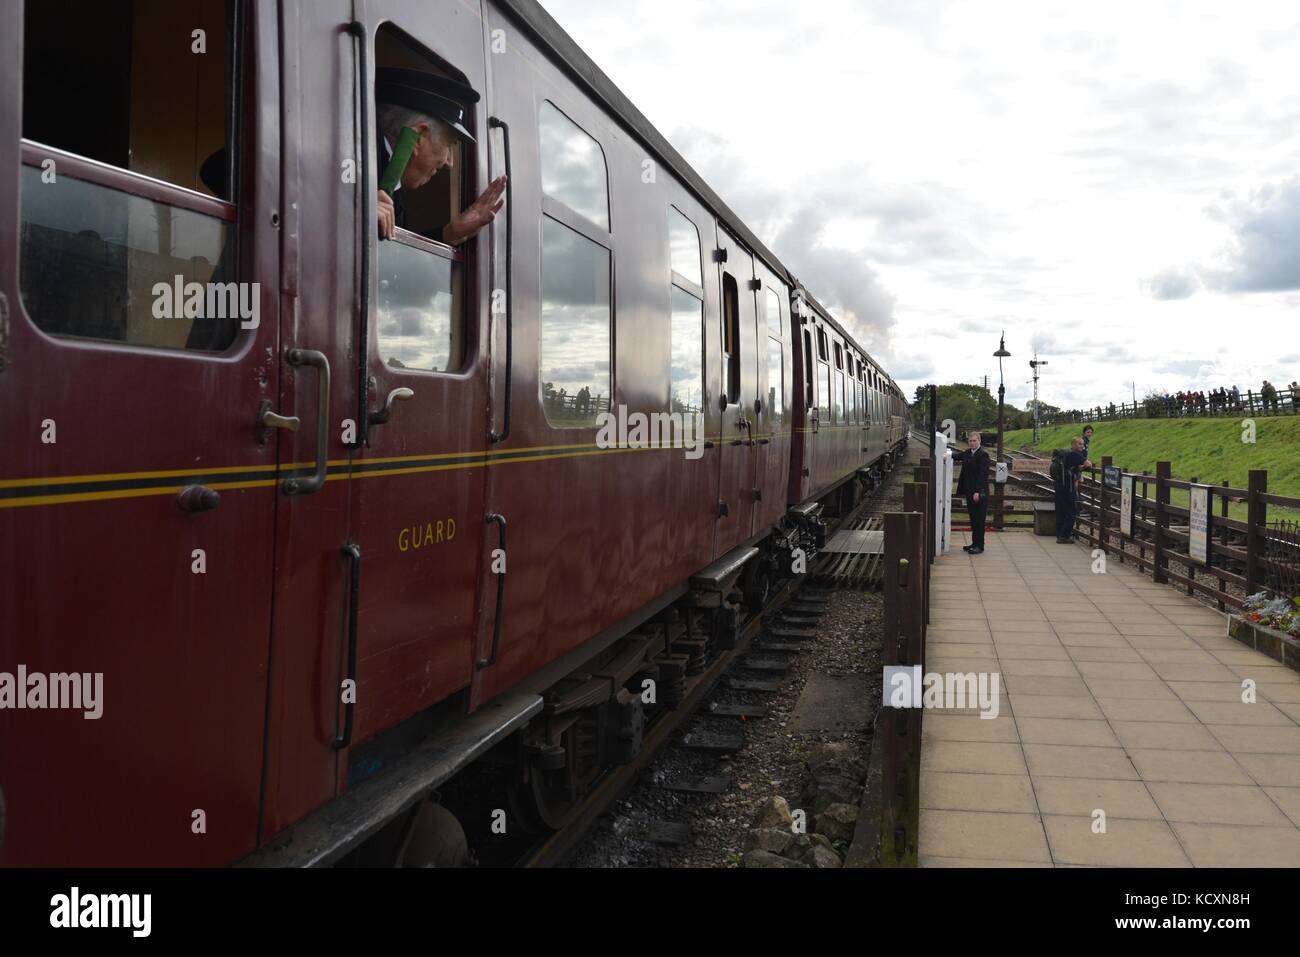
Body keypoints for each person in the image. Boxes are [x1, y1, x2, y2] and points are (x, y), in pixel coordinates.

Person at [374, 67, 506, 245]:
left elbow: (396, 256)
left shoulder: (390, 186)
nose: (449, 162)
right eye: (449, 145)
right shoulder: (353, 162)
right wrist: (353, 213)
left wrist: (450, 233)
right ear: (419, 136)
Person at [952, 430, 991, 555]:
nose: (972, 443)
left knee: (979, 520)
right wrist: (946, 453)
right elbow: (957, 456)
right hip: (969, 492)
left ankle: (980, 546)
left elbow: (982, 475)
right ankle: (974, 543)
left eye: (975, 441)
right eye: (970, 441)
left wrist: (977, 491)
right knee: (973, 519)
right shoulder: (968, 453)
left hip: (978, 493)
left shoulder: (983, 455)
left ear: (979, 441)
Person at [1054, 436, 1092, 543]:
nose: (1082, 446)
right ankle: (1065, 536)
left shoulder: (1066, 454)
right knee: (1072, 511)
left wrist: (1078, 468)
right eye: (1080, 444)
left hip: (1059, 484)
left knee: (1060, 511)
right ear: (1074, 444)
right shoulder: (1075, 454)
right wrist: (1086, 465)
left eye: (1083, 444)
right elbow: (1088, 464)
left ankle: (1059, 535)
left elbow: (1070, 467)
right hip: (1068, 487)